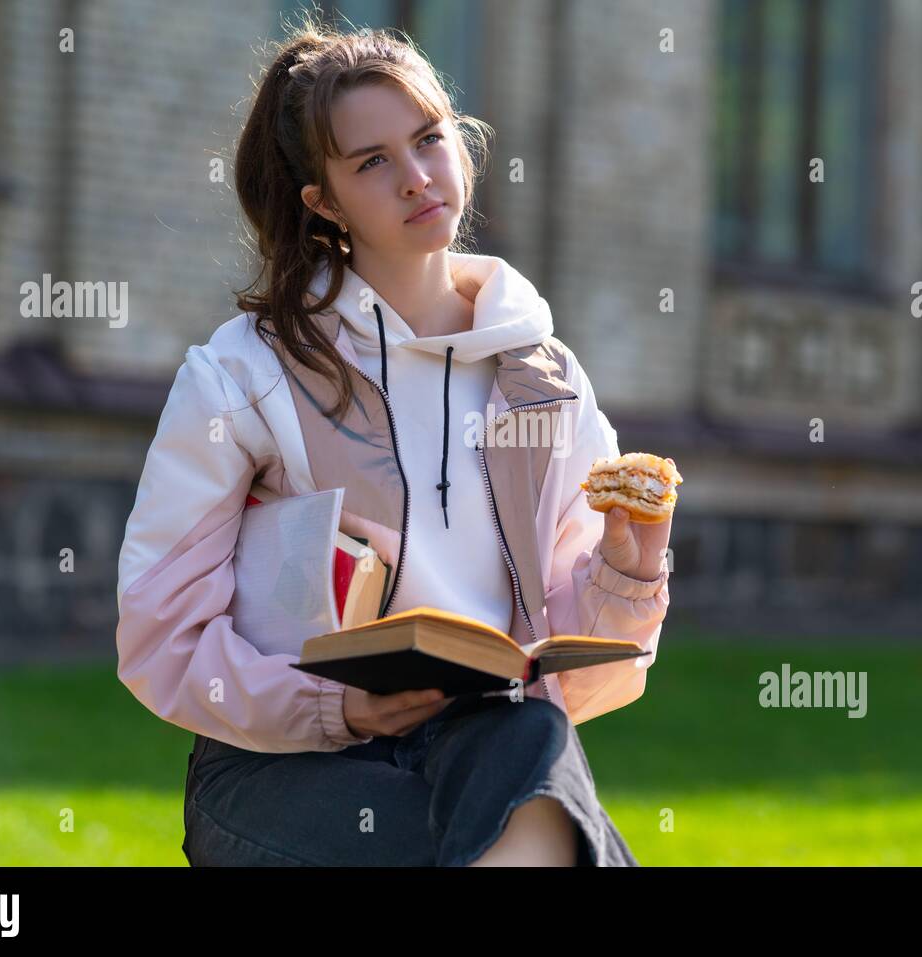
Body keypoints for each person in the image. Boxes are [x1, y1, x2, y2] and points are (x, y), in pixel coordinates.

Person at [114, 14, 674, 867]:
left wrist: (631, 569)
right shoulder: (244, 374)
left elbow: (581, 676)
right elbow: (161, 638)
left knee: (531, 741)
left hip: (479, 749)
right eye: (373, 161)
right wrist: (337, 709)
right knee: (530, 825)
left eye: (429, 139)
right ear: (324, 202)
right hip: (282, 763)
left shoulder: (546, 381)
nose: (416, 177)